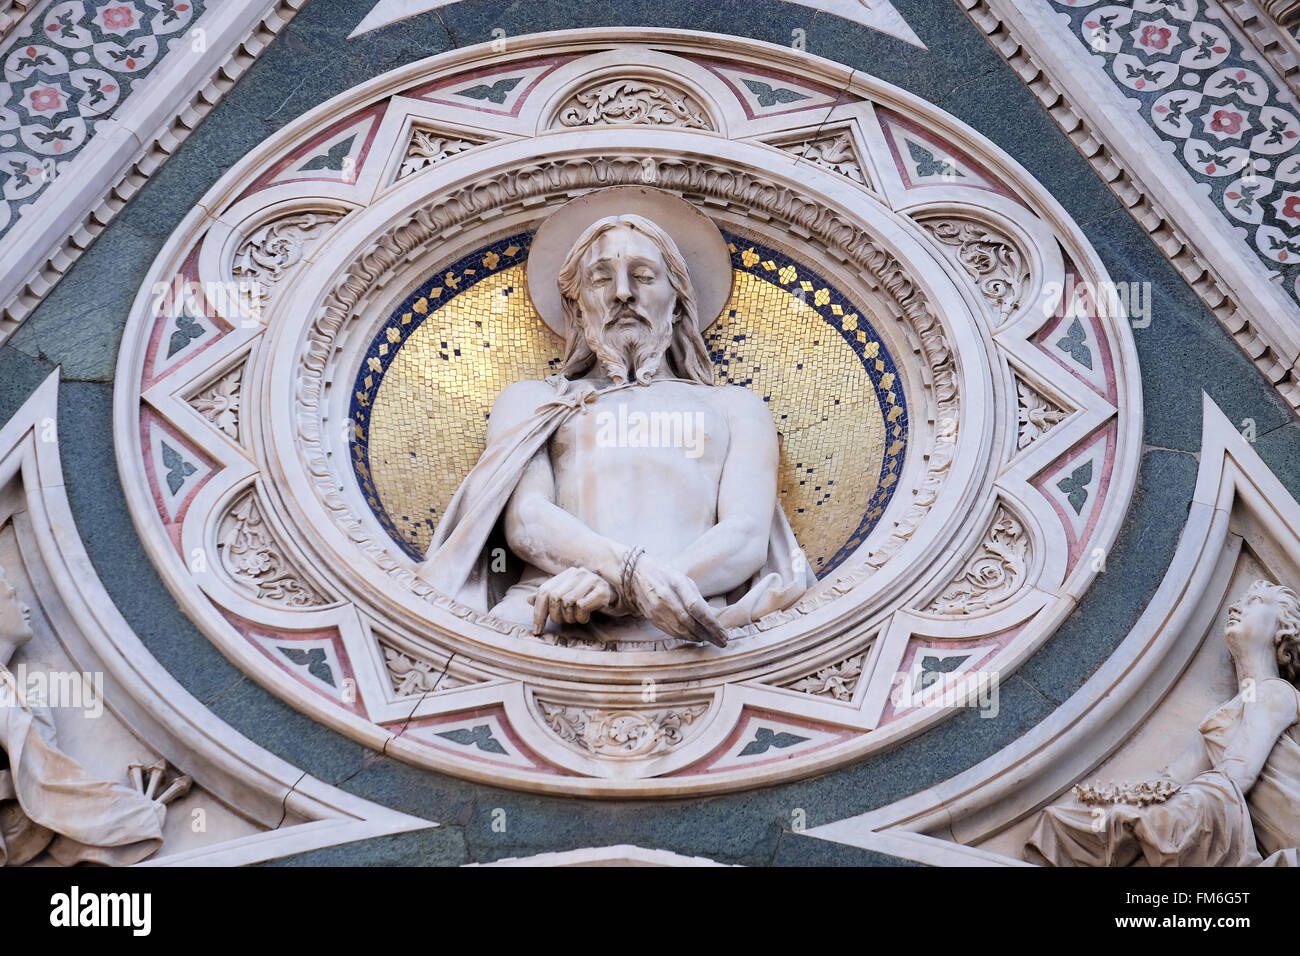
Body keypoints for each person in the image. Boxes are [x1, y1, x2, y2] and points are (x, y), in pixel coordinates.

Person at [419, 209, 812, 645]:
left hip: (692, 619)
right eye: (601, 278)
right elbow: (528, 520)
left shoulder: (733, 406)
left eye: (644, 276)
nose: (623, 293)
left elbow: (746, 533)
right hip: (545, 615)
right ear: (577, 303)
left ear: (678, 300)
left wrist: (627, 588)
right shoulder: (536, 400)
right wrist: (632, 575)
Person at [1027, 580, 1300, 866]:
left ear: (1284, 630)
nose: (1235, 606)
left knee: (1151, 826)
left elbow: (1237, 774)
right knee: (1070, 821)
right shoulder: (1219, 717)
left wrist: (1155, 818)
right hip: (1206, 801)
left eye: (1253, 600)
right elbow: (1169, 782)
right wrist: (1115, 803)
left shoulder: (1274, 693)